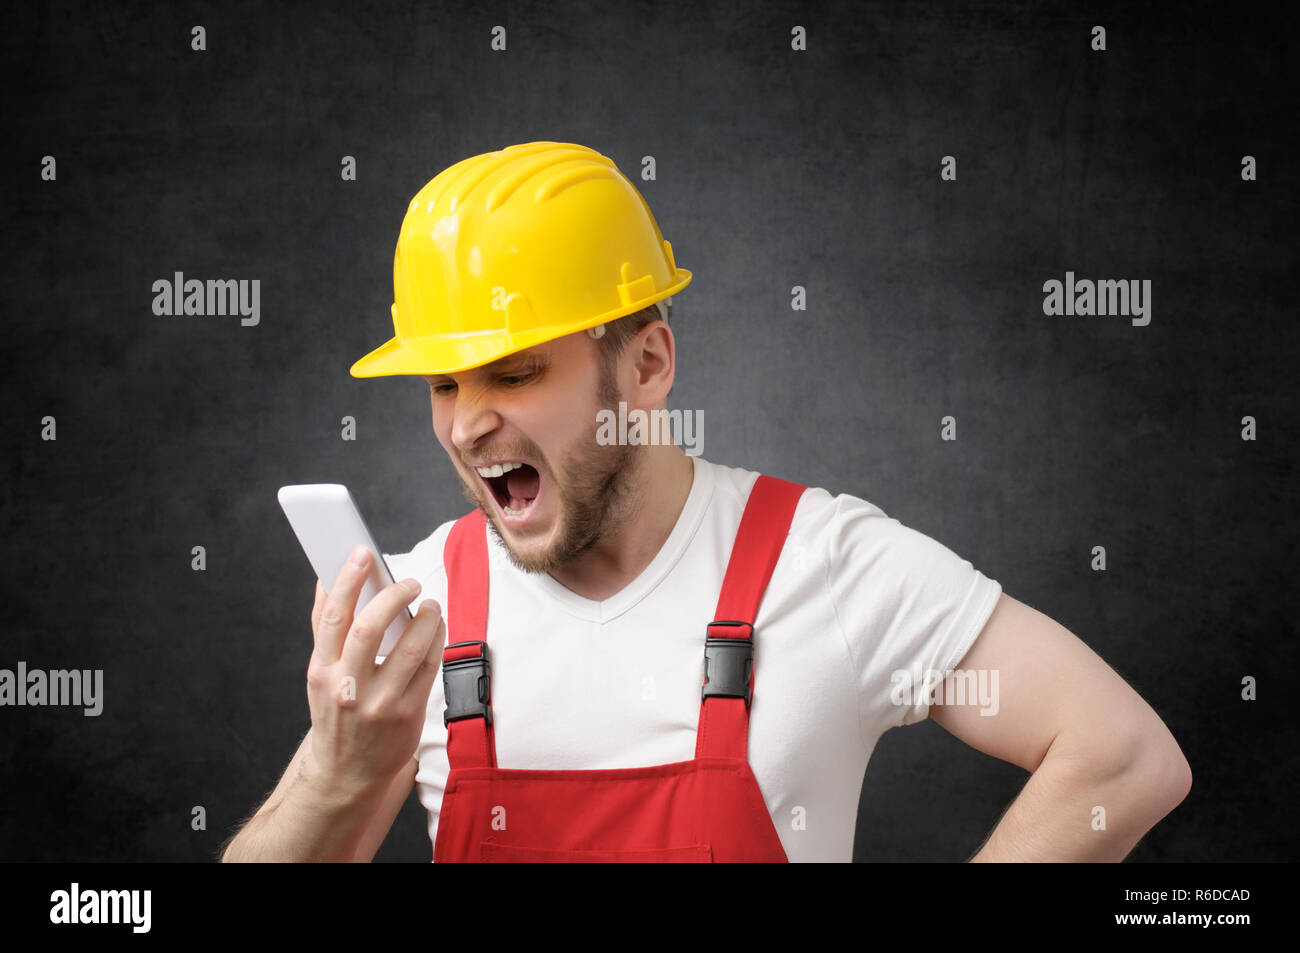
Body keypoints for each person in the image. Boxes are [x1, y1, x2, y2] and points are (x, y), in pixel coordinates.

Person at [221, 141, 1191, 863]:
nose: (467, 425)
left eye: (510, 374)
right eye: (442, 385)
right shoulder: (421, 606)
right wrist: (338, 767)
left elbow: (1123, 753)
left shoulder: (826, 564)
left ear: (644, 365)